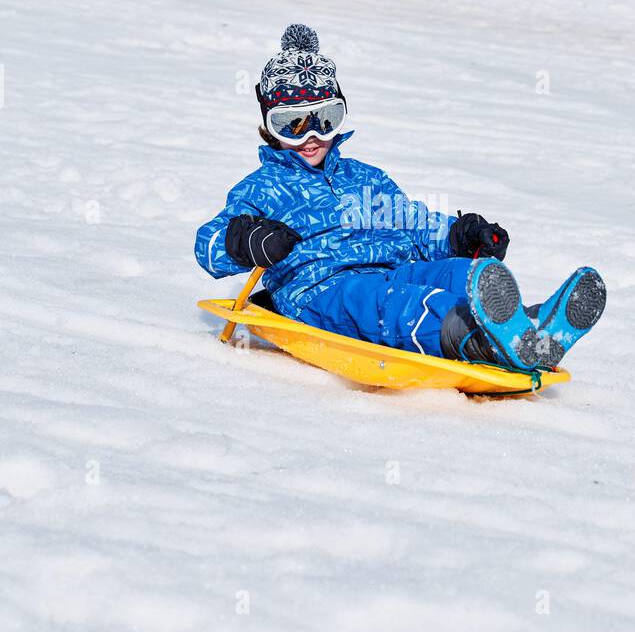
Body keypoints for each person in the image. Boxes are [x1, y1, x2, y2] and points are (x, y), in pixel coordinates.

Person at [193, 24, 606, 372]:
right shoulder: (261, 187)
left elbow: (414, 226)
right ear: (269, 126)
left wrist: (460, 237)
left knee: (459, 274)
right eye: (292, 124)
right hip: (322, 290)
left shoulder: (366, 178)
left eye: (325, 118)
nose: (312, 135)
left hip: (393, 269)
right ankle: (474, 342)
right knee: (395, 304)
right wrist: (245, 240)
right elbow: (209, 246)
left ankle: (528, 327)